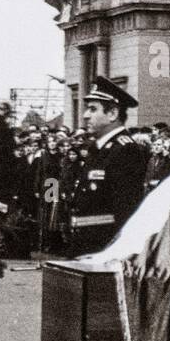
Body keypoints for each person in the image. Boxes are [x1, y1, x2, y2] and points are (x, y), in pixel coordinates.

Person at [66, 77, 149, 256]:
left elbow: (126, 209)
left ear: (112, 114)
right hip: (85, 244)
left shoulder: (125, 149)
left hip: (104, 247)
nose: (85, 115)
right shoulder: (98, 148)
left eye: (93, 109)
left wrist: (117, 253)